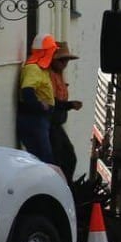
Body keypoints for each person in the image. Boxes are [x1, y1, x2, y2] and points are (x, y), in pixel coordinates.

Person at [18, 34, 57, 163]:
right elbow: (27, 91)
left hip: (39, 118)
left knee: (45, 155)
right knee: (43, 157)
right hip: (34, 118)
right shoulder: (33, 68)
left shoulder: (41, 69)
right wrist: (40, 106)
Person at [48, 41, 83, 183]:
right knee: (60, 160)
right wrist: (70, 105)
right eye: (62, 60)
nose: (65, 64)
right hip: (50, 125)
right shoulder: (49, 76)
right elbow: (51, 102)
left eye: (66, 60)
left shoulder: (59, 75)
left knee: (69, 158)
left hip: (57, 124)